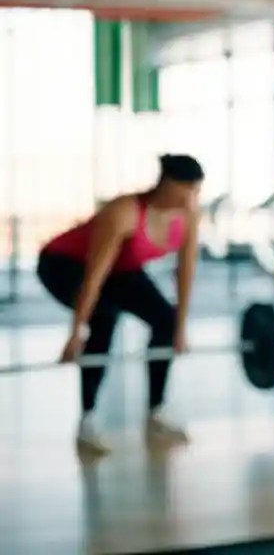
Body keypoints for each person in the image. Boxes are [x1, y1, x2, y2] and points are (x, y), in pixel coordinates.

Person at [38, 154, 205, 455]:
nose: (193, 197)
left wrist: (180, 327)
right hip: (63, 263)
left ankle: (156, 410)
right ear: (168, 185)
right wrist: (76, 331)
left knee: (165, 321)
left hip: (122, 269)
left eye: (197, 191)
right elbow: (94, 275)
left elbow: (186, 270)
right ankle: (87, 420)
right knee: (104, 316)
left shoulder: (189, 214)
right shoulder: (124, 212)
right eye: (188, 190)